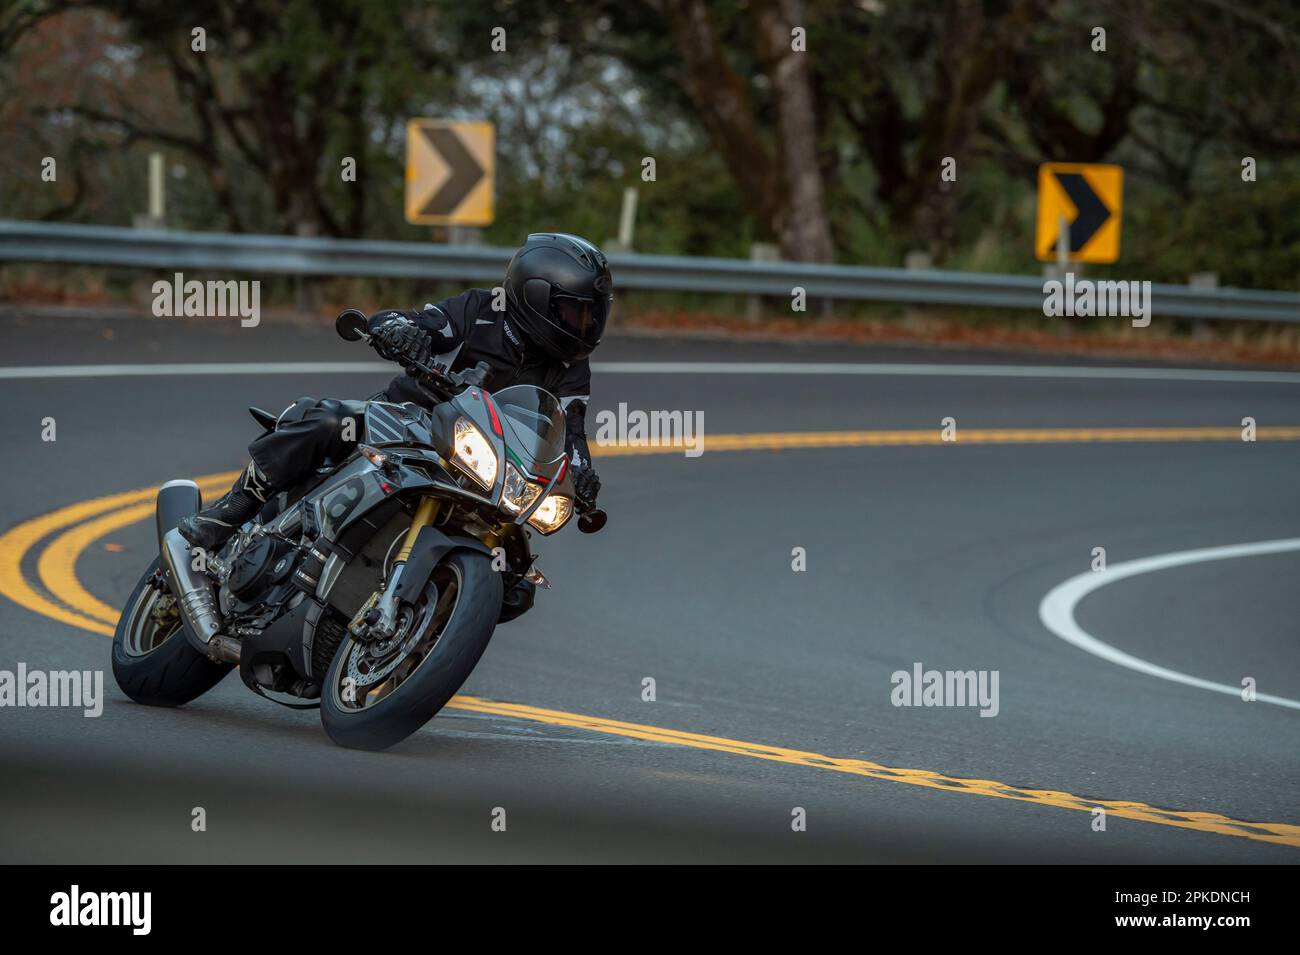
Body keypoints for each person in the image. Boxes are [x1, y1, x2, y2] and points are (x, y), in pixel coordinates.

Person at [178, 232, 609, 553]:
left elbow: (571, 431)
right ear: (535, 297)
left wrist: (582, 476)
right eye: (574, 311)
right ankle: (233, 509)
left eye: (591, 315)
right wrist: (399, 330)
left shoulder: (571, 367)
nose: (583, 325)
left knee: (515, 575)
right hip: (408, 421)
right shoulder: (481, 310)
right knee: (328, 419)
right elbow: (423, 321)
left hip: (481, 469)